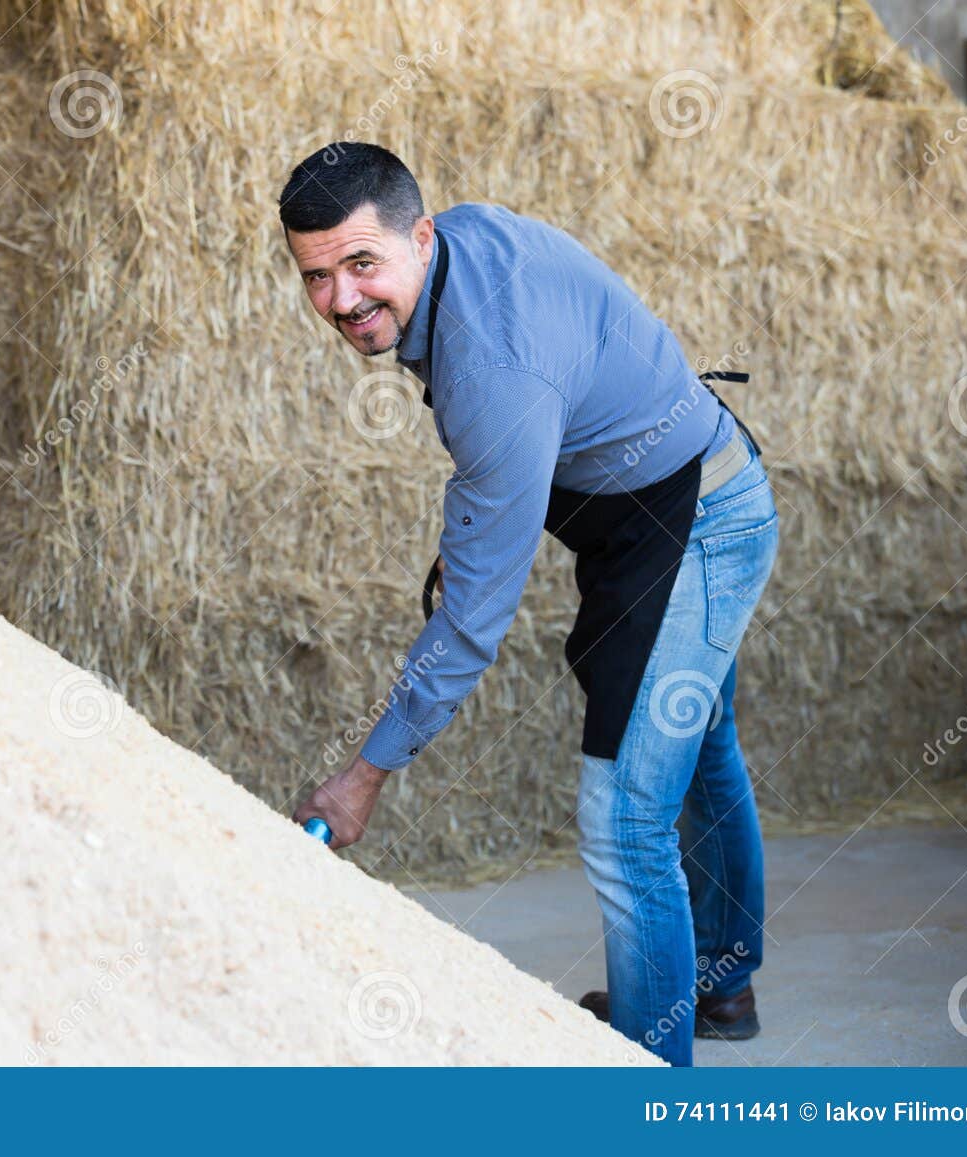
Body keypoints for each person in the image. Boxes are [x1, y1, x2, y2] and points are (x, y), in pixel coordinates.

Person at [281, 142, 778, 1066]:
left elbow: (472, 623)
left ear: (420, 238)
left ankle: (649, 1080)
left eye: (361, 265)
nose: (342, 300)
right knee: (700, 741)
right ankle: (716, 980)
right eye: (316, 276)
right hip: (669, 495)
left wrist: (363, 776)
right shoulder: (460, 255)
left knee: (626, 812)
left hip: (699, 526)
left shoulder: (491, 372)